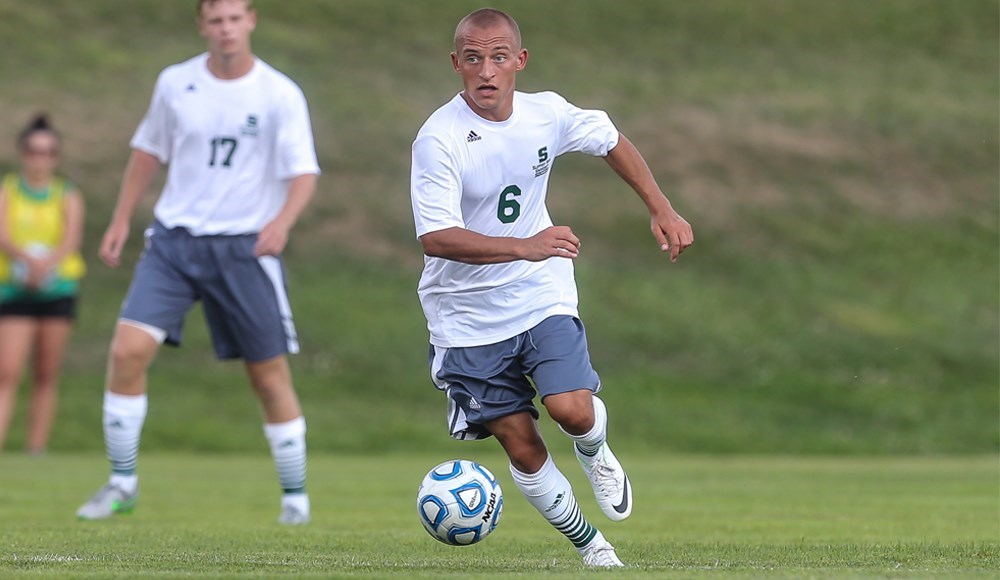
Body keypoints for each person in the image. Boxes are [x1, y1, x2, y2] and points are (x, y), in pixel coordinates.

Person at [410, 8, 694, 568]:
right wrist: (526, 244)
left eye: (497, 57)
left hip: (539, 292)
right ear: (455, 65)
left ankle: (596, 450)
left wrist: (661, 207)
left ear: (520, 61)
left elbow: (610, 137)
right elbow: (437, 238)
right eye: (473, 59)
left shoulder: (546, 114)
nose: (486, 71)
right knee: (522, 443)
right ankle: (594, 548)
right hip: (464, 316)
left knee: (571, 410)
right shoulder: (438, 139)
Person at [76, 0, 320, 525]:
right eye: (216, 20)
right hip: (174, 244)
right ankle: (121, 484)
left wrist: (283, 222)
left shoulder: (278, 93)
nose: (226, 29)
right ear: (202, 25)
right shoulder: (175, 83)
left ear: (251, 20)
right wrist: (120, 220)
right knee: (126, 352)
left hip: (244, 249)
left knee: (269, 375)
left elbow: (303, 173)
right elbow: (147, 153)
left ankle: (295, 500)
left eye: (235, 18)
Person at [0, 114, 86, 455]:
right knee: (7, 370)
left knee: (46, 371)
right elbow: (3, 234)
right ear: (23, 153)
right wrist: (27, 261)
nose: (40, 159)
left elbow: (71, 239)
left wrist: (47, 265)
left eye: (48, 152)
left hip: (57, 289)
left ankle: (37, 446)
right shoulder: (8, 191)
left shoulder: (66, 194)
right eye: (35, 151)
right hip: (14, 289)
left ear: (56, 157)